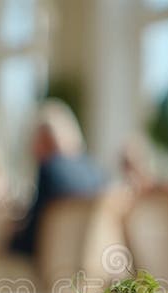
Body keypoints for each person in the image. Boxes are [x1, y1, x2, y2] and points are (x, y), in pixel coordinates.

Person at [9, 99, 107, 256]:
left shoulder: (50, 169)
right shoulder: (95, 170)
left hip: (46, 259)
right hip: (91, 257)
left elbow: (34, 232)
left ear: (44, 140)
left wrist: (10, 232)